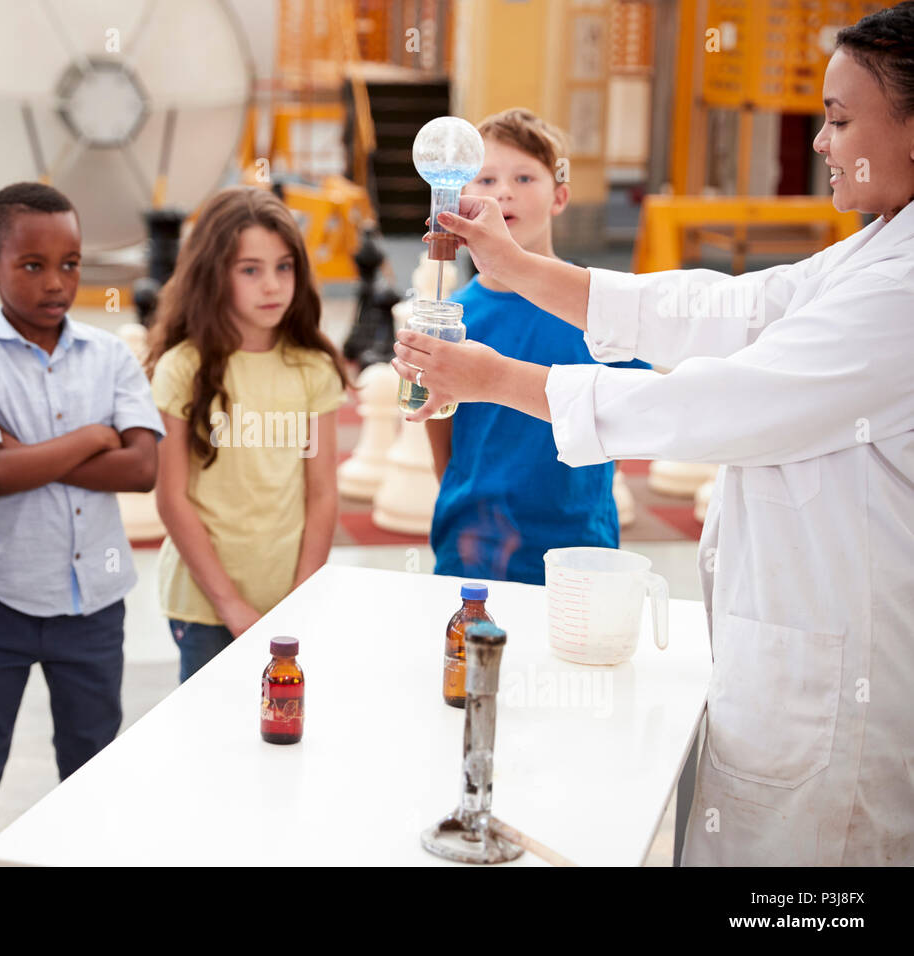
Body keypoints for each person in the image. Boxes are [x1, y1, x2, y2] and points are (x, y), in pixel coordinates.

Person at [391, 3, 914, 865]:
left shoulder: (897, 295)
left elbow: (726, 404)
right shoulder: (873, 249)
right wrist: (518, 269)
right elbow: (731, 307)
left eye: (839, 119)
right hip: (783, 657)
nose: (821, 140)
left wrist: (493, 381)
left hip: (839, 688)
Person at [0, 183, 163, 867]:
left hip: (93, 607)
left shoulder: (111, 356)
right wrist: (96, 435)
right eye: (31, 265)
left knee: (91, 773)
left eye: (70, 263)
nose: (56, 281)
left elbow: (142, 469)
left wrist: (28, 454)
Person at [426, 108, 649, 585]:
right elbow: (440, 435)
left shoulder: (598, 308)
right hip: (474, 543)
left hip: (580, 544)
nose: (504, 191)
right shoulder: (455, 317)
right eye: (485, 179)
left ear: (560, 196)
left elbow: (633, 413)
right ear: (460, 197)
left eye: (525, 177)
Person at [148, 186, 350, 682]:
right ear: (214, 275)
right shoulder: (181, 368)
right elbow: (172, 498)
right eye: (250, 270)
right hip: (204, 606)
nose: (272, 286)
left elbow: (322, 493)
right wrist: (230, 605)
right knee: (211, 746)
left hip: (290, 597)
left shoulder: (313, 369)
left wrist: (303, 596)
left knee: (283, 732)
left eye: (284, 267)